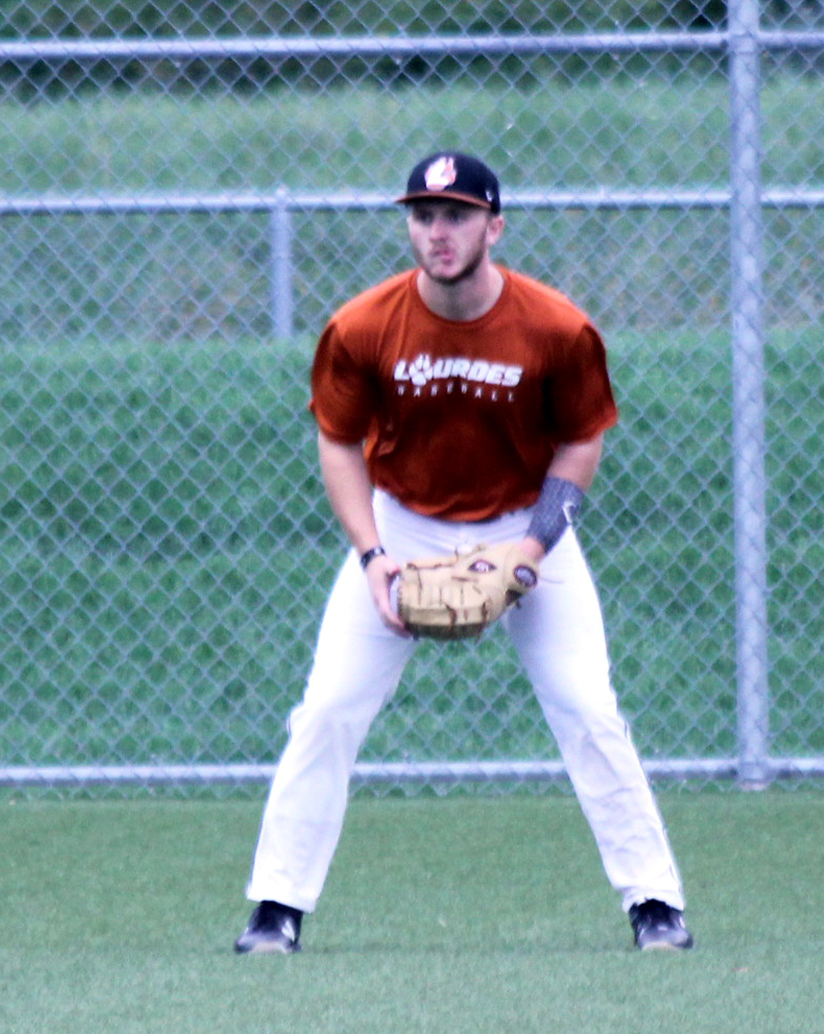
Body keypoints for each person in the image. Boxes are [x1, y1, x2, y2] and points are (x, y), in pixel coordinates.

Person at [233, 150, 693, 954]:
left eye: (457, 215)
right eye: (423, 215)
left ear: (495, 227)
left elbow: (581, 442)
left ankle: (655, 902)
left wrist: (532, 548)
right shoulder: (363, 326)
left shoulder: (556, 328)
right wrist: (373, 556)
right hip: (403, 522)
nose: (437, 232)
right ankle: (276, 908)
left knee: (587, 707)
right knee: (329, 707)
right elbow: (338, 443)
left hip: (523, 520)